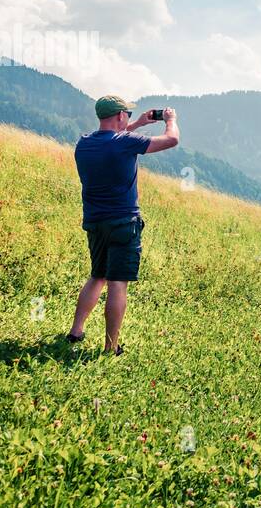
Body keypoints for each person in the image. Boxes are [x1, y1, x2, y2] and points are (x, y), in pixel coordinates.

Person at [67, 95, 179, 354]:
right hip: (123, 222)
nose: (128, 118)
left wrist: (138, 123)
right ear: (119, 116)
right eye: (127, 114)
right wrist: (170, 120)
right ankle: (111, 347)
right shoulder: (126, 143)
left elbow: (110, 139)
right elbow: (171, 140)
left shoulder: (84, 144)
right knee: (118, 283)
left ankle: (76, 331)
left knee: (97, 276)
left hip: (95, 222)